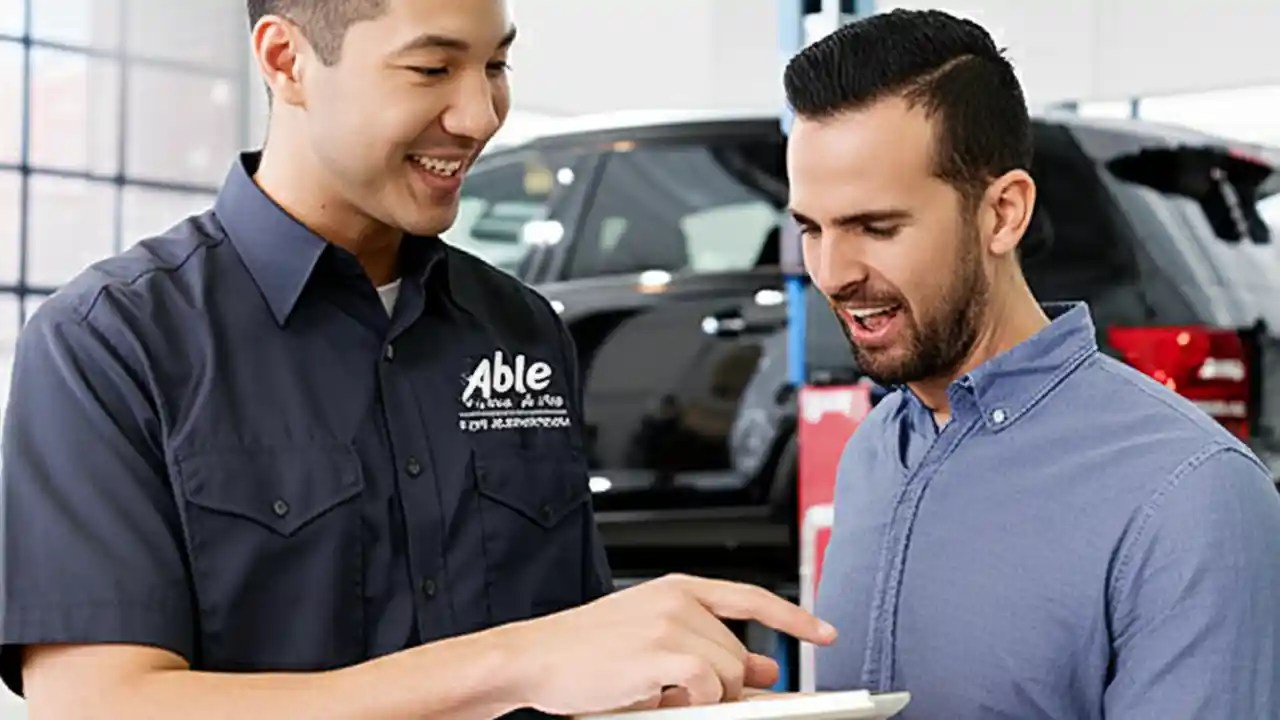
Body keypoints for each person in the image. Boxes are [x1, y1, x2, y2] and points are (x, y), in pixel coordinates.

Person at [0, 1, 838, 717]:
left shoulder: (522, 331)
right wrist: (515, 663)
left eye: (496, 65)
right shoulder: (114, 342)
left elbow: (569, 648)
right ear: (287, 60)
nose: (480, 115)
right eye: (432, 69)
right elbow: (101, 703)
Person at [784, 9, 1280, 719]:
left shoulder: (1191, 499)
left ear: (1003, 213)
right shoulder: (874, 453)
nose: (832, 272)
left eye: (876, 227)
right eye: (811, 229)